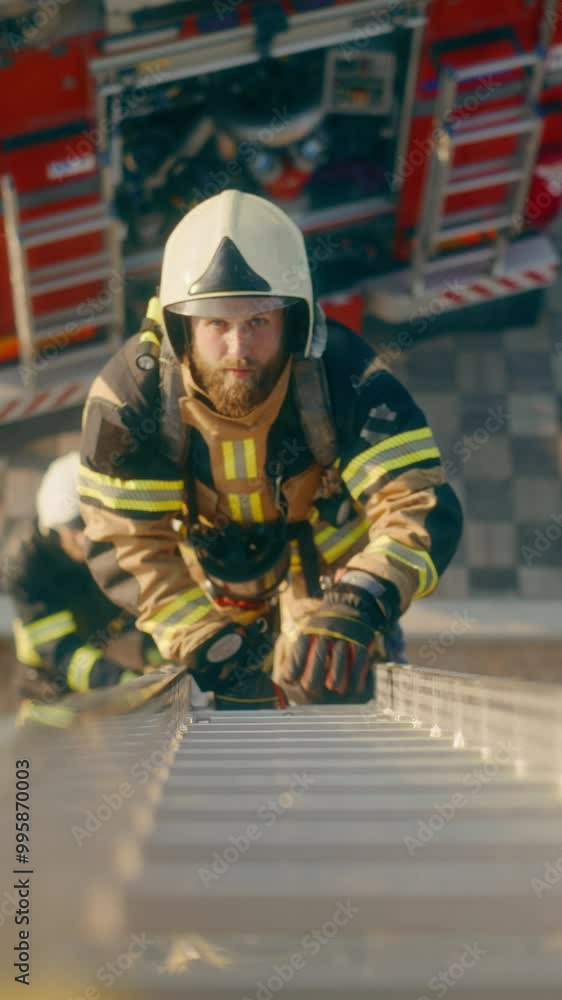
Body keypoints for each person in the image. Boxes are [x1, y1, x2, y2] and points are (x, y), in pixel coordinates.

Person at [79, 189, 463, 709]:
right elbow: (127, 548)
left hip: (325, 563)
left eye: (259, 320)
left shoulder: (346, 375)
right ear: (179, 326)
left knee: (330, 683)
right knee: (229, 703)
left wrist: (363, 599)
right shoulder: (130, 402)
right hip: (212, 576)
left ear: (296, 320)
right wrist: (206, 644)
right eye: (216, 322)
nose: (239, 348)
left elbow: (418, 505)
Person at [6, 452, 161, 701]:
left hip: (118, 663)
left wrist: (152, 654)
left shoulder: (112, 545)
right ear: (53, 526)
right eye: (75, 528)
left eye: (91, 526)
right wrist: (123, 681)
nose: (85, 539)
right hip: (49, 685)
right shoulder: (26, 564)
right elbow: (58, 651)